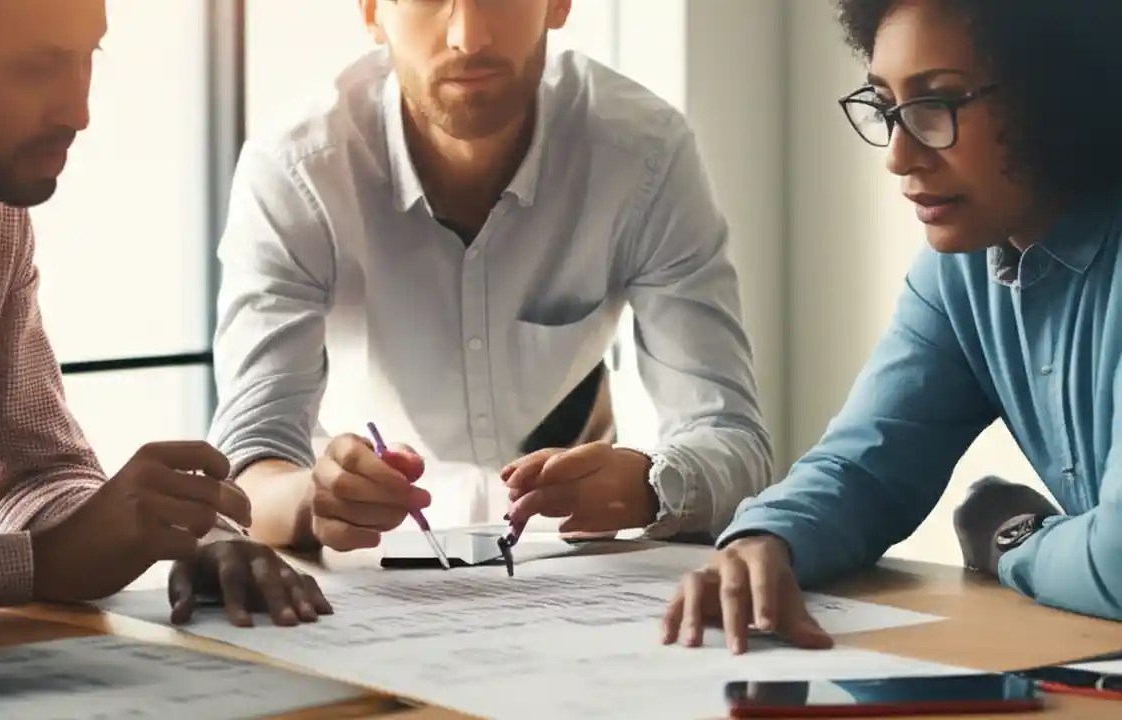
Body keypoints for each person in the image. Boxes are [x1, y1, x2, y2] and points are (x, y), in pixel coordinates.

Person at [0, 0, 329, 684]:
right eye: (37, 65)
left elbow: (33, 473)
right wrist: (39, 563)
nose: (80, 112)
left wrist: (172, 530)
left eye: (88, 58)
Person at [209, 0, 771, 556]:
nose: (469, 36)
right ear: (371, 10)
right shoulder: (298, 171)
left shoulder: (643, 156)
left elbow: (733, 438)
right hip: (368, 574)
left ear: (557, 4)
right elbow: (245, 469)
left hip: (576, 572)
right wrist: (314, 499)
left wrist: (648, 485)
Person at [661, 0, 1122, 654]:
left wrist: (1010, 537)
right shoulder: (959, 272)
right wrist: (767, 540)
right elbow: (865, 466)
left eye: (938, 104)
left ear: (1055, 89)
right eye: (886, 107)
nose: (899, 157)